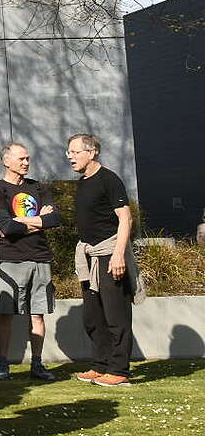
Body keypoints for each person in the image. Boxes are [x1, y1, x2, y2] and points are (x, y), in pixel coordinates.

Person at [0, 143, 60, 381]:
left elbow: (55, 219)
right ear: (6, 161)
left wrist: (23, 223)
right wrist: (39, 220)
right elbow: (6, 226)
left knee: (38, 314)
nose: (26, 163)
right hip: (10, 259)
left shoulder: (38, 187)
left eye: (28, 159)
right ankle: (2, 363)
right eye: (21, 159)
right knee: (7, 312)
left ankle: (37, 364)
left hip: (40, 258)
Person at [68, 133, 137, 387]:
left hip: (109, 254)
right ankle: (101, 365)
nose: (70, 157)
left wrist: (118, 254)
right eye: (69, 152)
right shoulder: (82, 182)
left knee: (115, 314)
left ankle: (119, 370)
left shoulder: (110, 179)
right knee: (93, 316)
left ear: (92, 152)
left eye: (75, 152)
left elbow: (125, 218)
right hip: (88, 257)